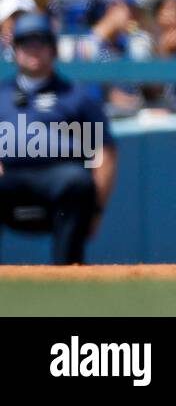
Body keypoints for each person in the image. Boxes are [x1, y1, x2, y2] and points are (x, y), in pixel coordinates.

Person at [0, 14, 118, 264]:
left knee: (77, 182)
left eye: (40, 42)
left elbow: (103, 152)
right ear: (14, 49)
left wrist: (97, 210)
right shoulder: (2, 94)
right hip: (11, 177)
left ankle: (69, 275)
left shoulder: (76, 96)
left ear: (53, 48)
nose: (33, 50)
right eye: (25, 43)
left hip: (62, 179)